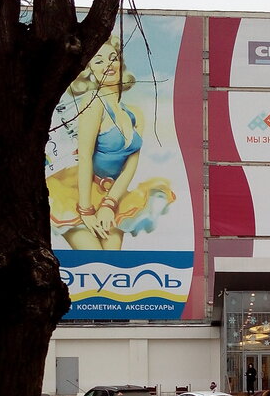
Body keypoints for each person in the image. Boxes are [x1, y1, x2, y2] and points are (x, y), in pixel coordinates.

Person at [48, 34, 176, 251]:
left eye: (112, 58)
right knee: (93, 255)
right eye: (98, 61)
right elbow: (85, 157)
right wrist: (86, 209)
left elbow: (130, 165)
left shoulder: (134, 114)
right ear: (90, 72)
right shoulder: (92, 102)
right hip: (78, 192)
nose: (108, 64)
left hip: (111, 195)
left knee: (113, 257)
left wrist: (109, 204)